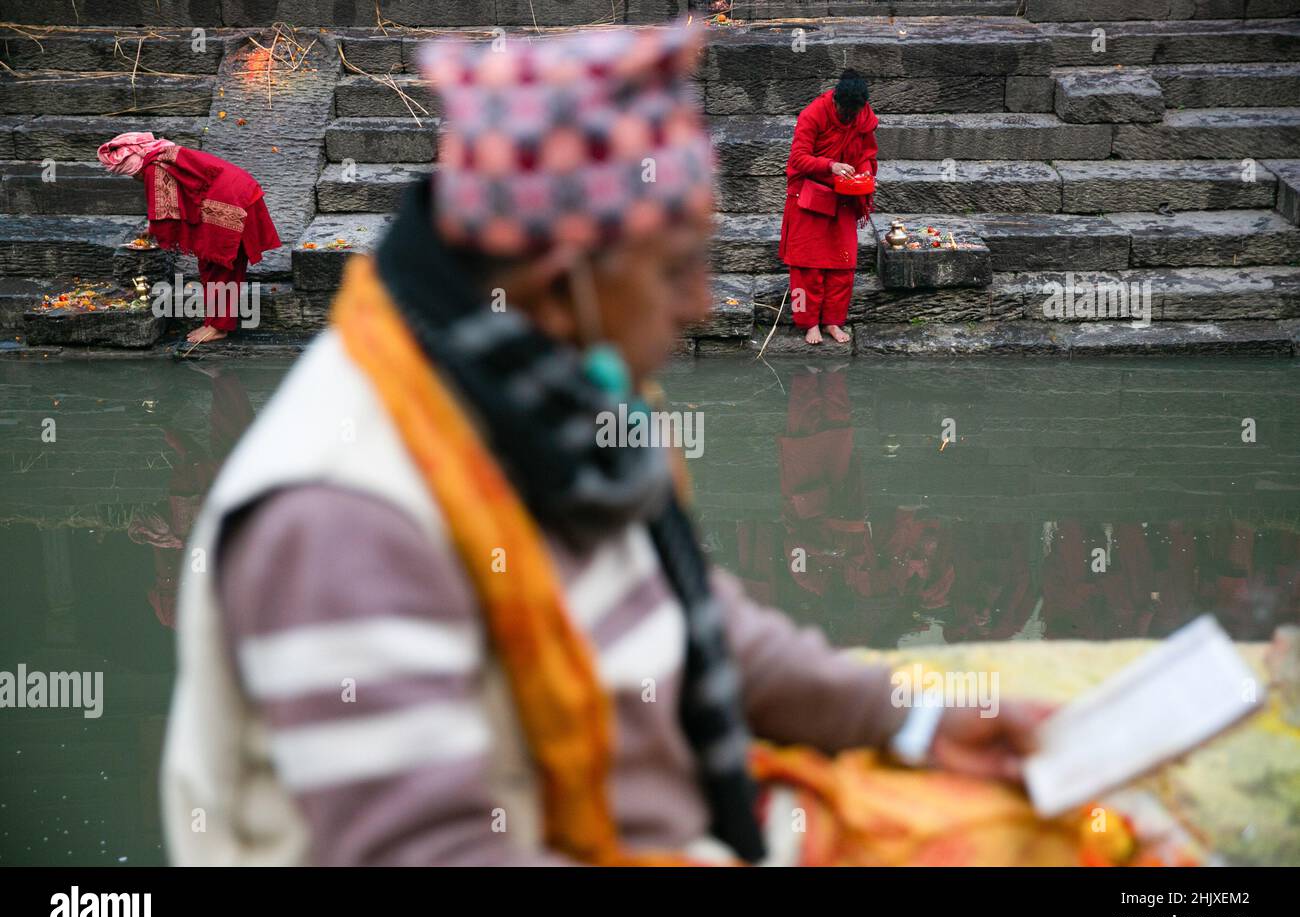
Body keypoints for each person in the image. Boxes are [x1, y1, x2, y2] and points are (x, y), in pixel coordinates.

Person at [162, 23, 1054, 867]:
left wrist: (913, 721)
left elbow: (684, 618)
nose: (701, 304)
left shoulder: (547, 387)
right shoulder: (340, 517)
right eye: (674, 270)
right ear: (561, 287)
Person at [97, 132, 280, 345]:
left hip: (231, 203)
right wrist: (152, 228)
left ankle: (218, 327)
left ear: (135, 167)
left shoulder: (152, 168)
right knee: (211, 265)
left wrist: (156, 231)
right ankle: (215, 322)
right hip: (237, 194)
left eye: (131, 175)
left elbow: (165, 213)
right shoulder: (159, 154)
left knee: (220, 266)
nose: (134, 179)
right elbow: (177, 198)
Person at [778, 68, 879, 346]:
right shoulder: (813, 113)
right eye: (844, 113)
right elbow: (798, 158)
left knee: (842, 267)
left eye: (853, 114)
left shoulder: (862, 115)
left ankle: (833, 322)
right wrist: (831, 165)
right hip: (809, 198)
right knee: (805, 267)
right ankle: (808, 324)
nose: (849, 119)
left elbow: (867, 153)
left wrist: (865, 175)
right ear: (835, 100)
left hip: (844, 197)